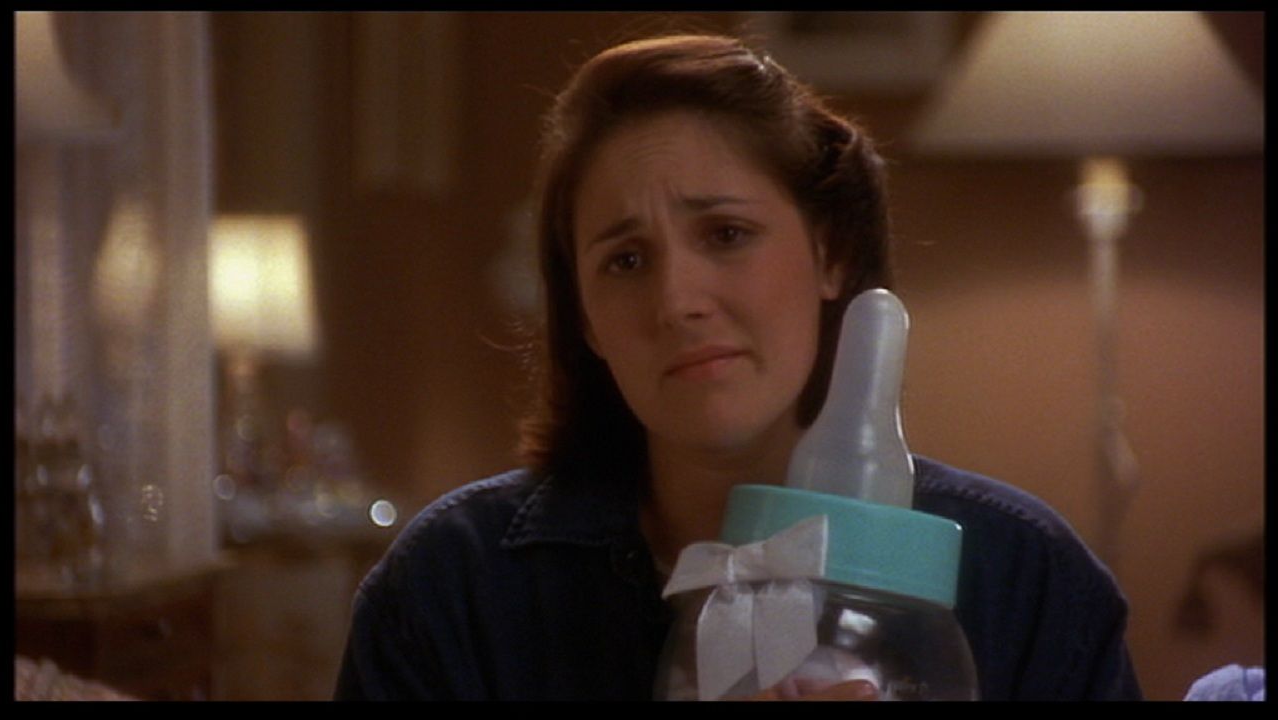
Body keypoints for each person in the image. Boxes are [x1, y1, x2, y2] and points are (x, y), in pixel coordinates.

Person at [334, 33, 1142, 701]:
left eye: (725, 235)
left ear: (832, 252)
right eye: (625, 260)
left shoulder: (1023, 580)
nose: (677, 301)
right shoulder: (454, 591)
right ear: (584, 318)